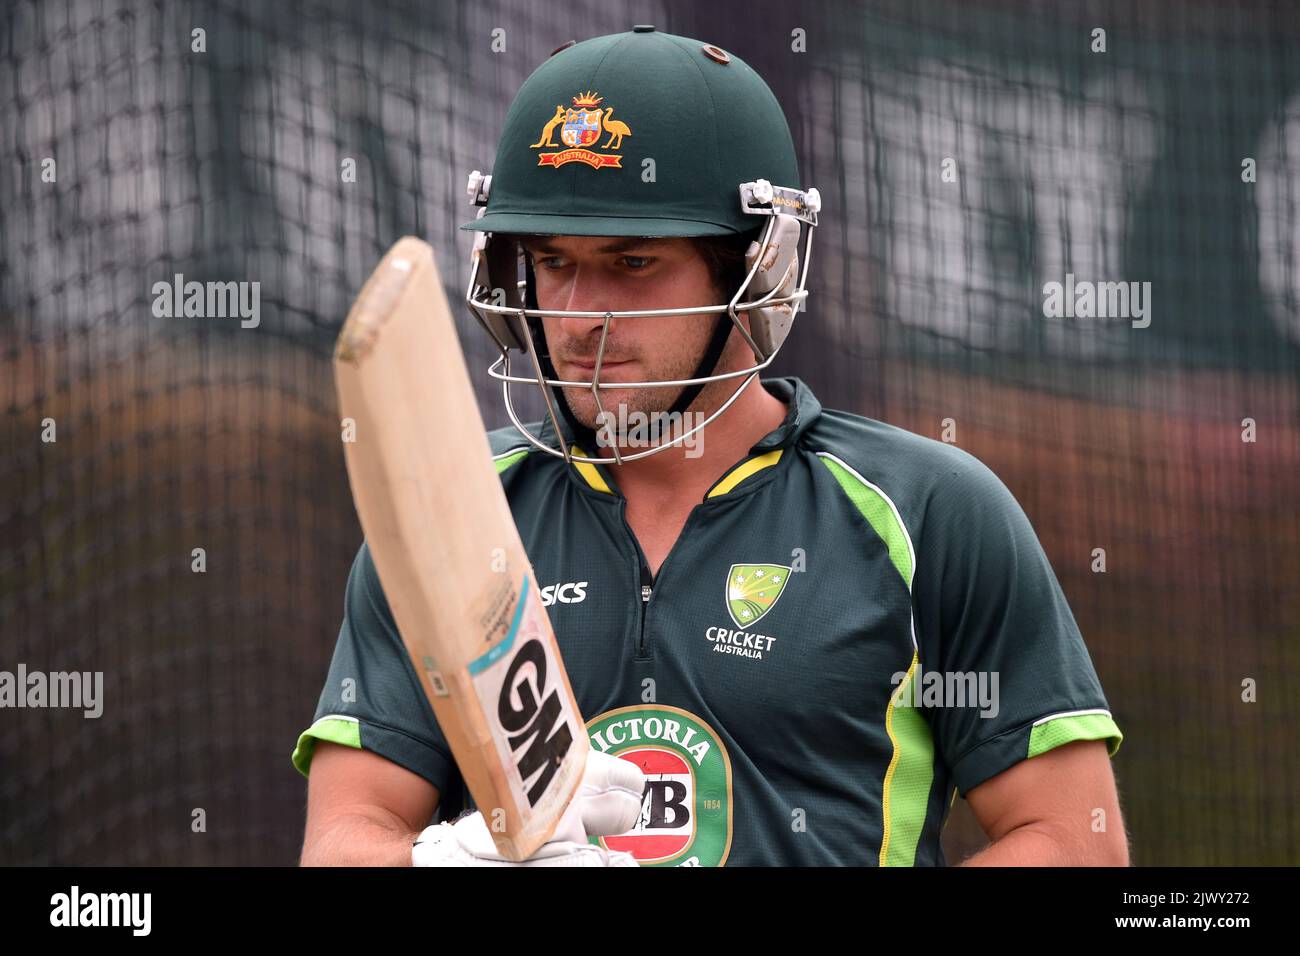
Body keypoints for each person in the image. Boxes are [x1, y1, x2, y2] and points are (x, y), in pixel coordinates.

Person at [294, 26, 1127, 867]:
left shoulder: (929, 512)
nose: (581, 316)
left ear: (753, 270)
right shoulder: (456, 513)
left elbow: (1069, 840)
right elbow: (341, 840)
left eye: (633, 262)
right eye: (552, 260)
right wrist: (446, 863)